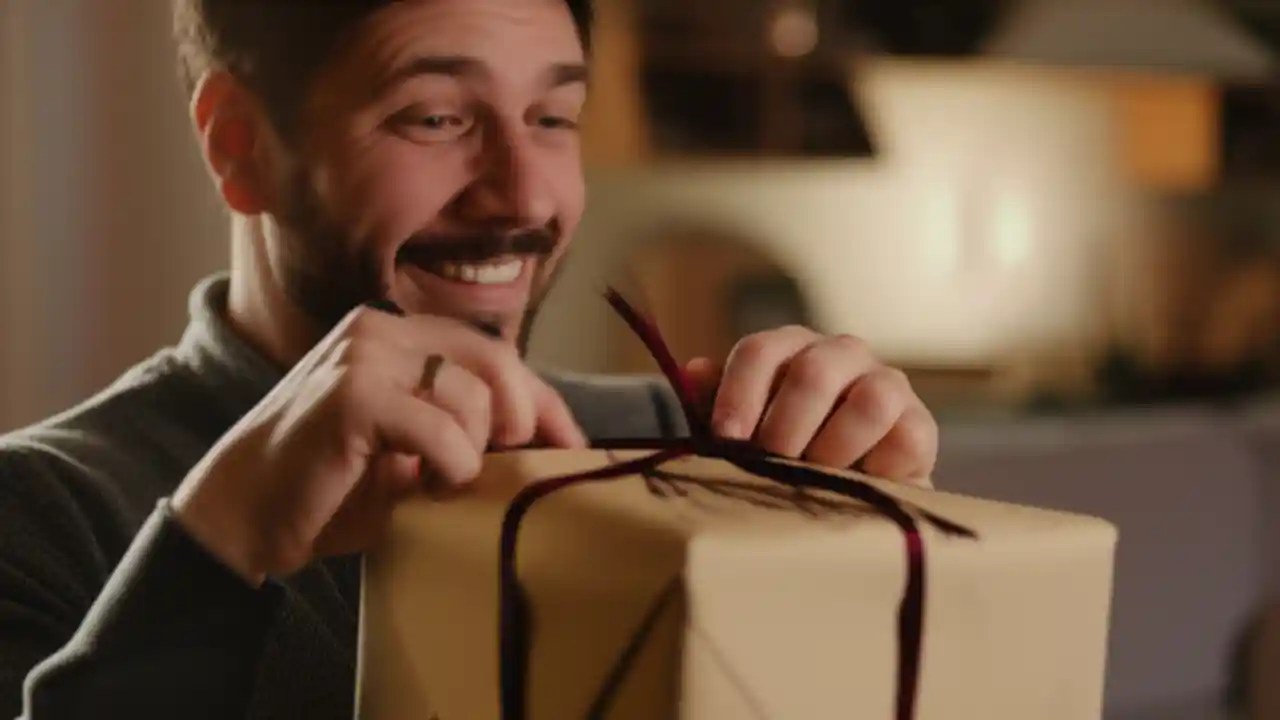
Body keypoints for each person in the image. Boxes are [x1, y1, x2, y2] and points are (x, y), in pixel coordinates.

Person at [0, 1, 940, 718]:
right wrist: (222, 546)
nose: (525, 195)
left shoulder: (674, 450)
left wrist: (888, 555)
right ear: (242, 145)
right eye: (438, 117)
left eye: (553, 117)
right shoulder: (41, 515)